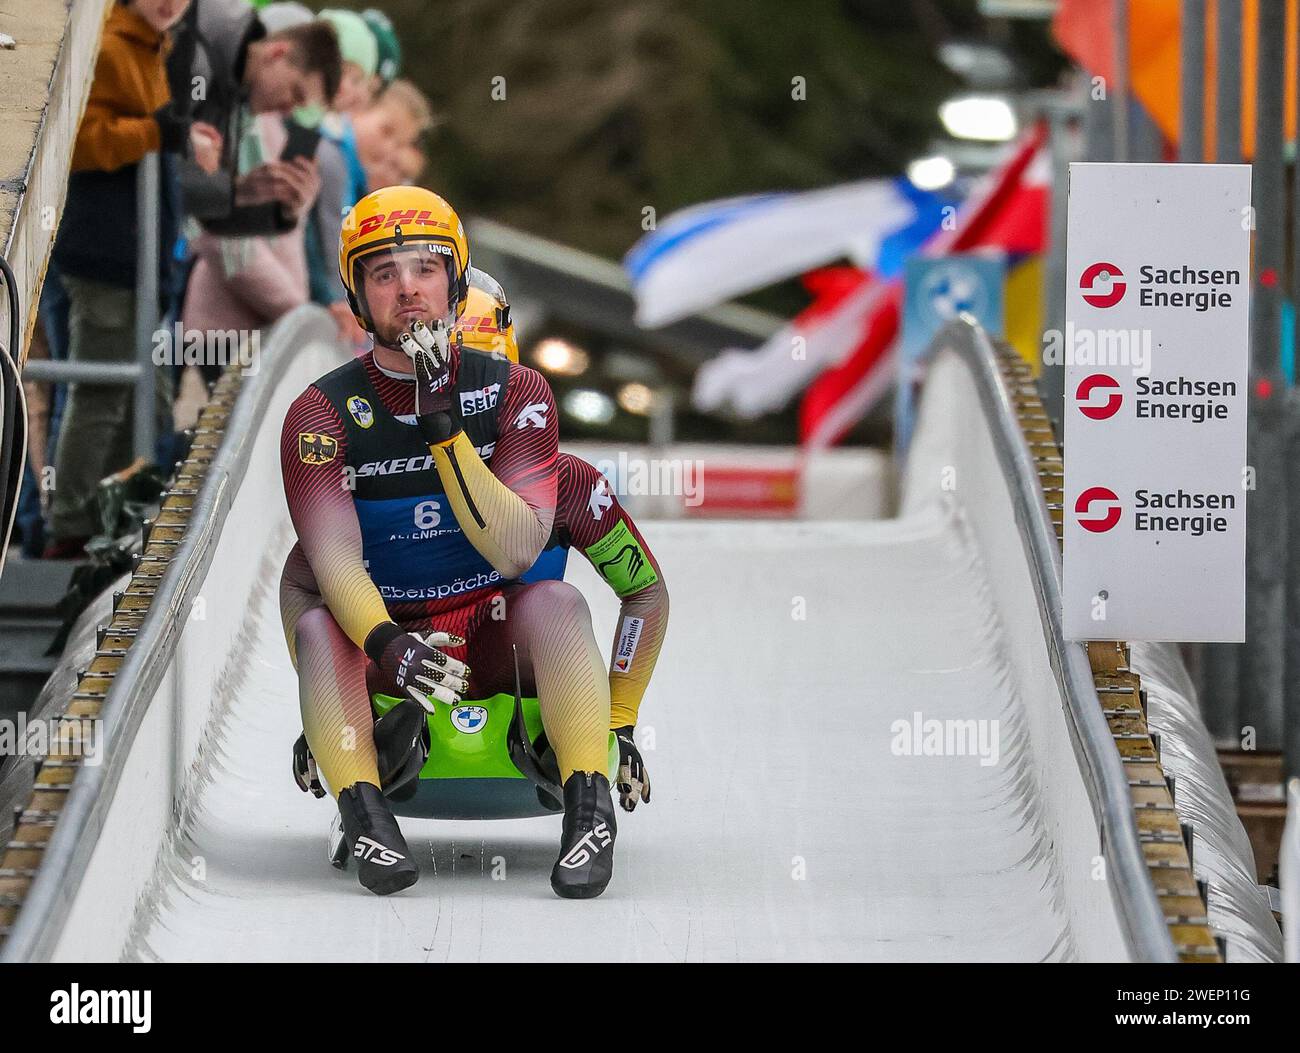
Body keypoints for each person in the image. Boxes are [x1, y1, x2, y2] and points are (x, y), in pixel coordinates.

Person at [278, 187, 619, 899]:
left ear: (455, 280)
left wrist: (445, 434)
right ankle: (367, 816)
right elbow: (332, 558)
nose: (407, 289)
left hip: (495, 624)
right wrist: (385, 642)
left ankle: (590, 812)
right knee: (316, 619)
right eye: (383, 274)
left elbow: (519, 549)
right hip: (388, 633)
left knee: (558, 601)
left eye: (424, 268)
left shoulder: (519, 390)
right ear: (358, 294)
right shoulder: (320, 411)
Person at [454, 270, 668, 812]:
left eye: (485, 381)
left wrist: (618, 723)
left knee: (555, 604)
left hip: (525, 687)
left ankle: (583, 764)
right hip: (415, 677)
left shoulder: (569, 482)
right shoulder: (382, 468)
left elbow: (644, 592)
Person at [43, 0, 197, 558]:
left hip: (139, 255)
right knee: (104, 388)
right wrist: (151, 133)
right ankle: (71, 528)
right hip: (105, 251)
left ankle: (109, 520)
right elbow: (76, 144)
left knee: (142, 395)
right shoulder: (109, 46)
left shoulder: (153, 46)